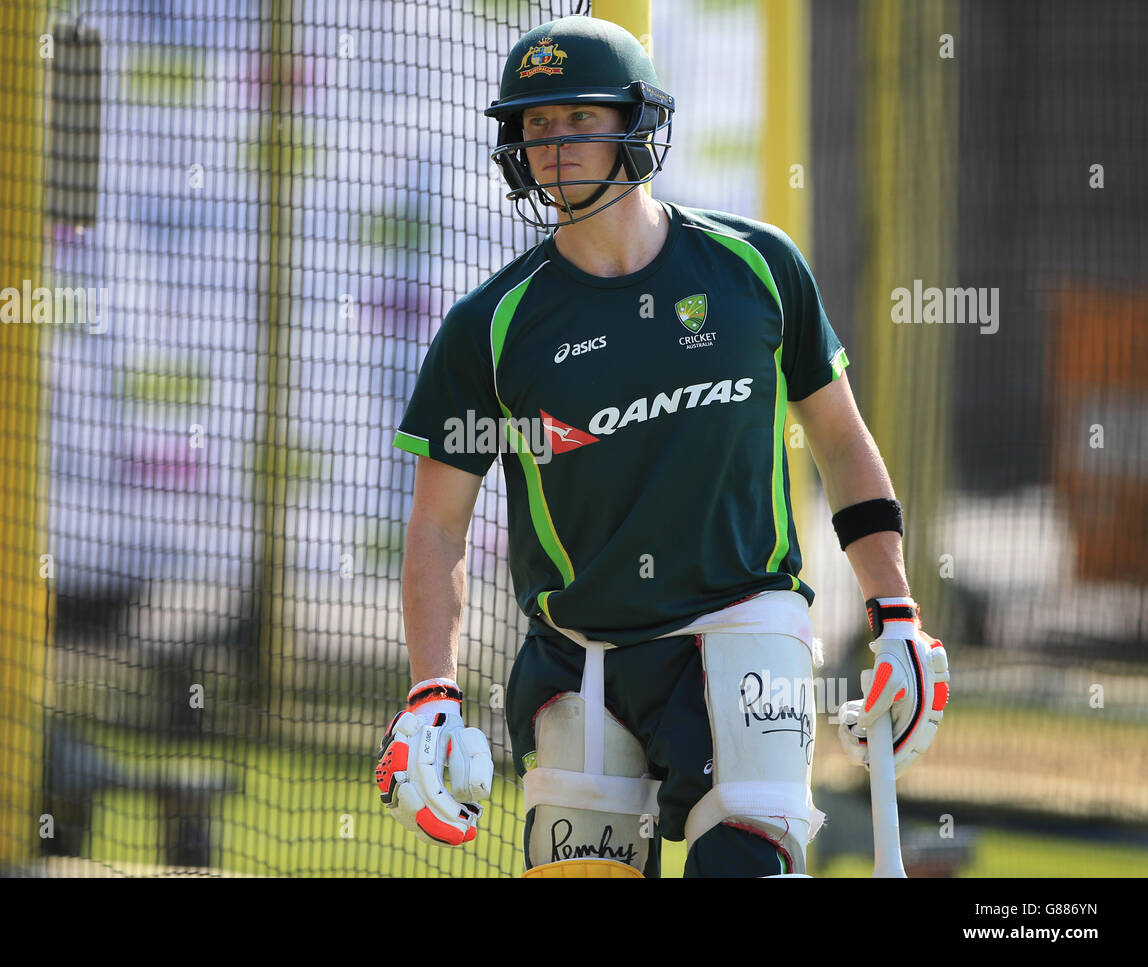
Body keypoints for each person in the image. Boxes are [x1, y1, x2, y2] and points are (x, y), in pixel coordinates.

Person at [376, 14, 949, 877]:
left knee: (743, 864)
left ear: (636, 124)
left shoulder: (758, 267)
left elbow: (839, 438)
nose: (555, 145)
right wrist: (431, 690)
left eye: (579, 119)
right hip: (580, 655)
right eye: (535, 125)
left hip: (745, 622)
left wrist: (896, 613)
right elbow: (436, 529)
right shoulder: (487, 328)